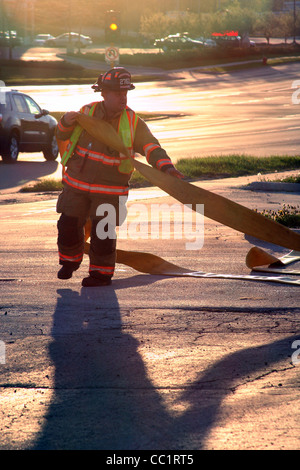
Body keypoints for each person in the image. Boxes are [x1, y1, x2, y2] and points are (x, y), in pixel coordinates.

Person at [55, 67, 183, 287]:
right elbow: (61, 134)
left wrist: (167, 168)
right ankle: (69, 262)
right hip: (77, 185)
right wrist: (65, 121)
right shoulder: (86, 113)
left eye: (125, 93)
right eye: (117, 93)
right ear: (103, 93)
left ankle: (100, 275)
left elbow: (152, 147)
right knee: (67, 225)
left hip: (109, 192)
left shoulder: (134, 122)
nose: (122, 98)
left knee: (102, 233)